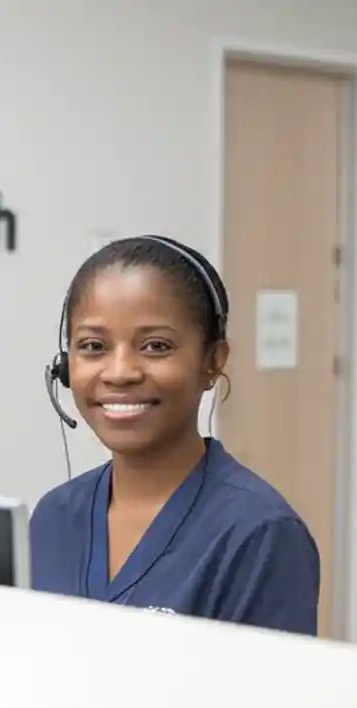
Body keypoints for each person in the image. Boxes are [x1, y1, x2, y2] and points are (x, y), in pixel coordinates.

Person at [31, 234, 320, 635]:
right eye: (93, 346)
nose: (120, 372)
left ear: (212, 361)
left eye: (155, 346)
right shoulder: (53, 517)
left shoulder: (260, 534)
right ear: (65, 366)